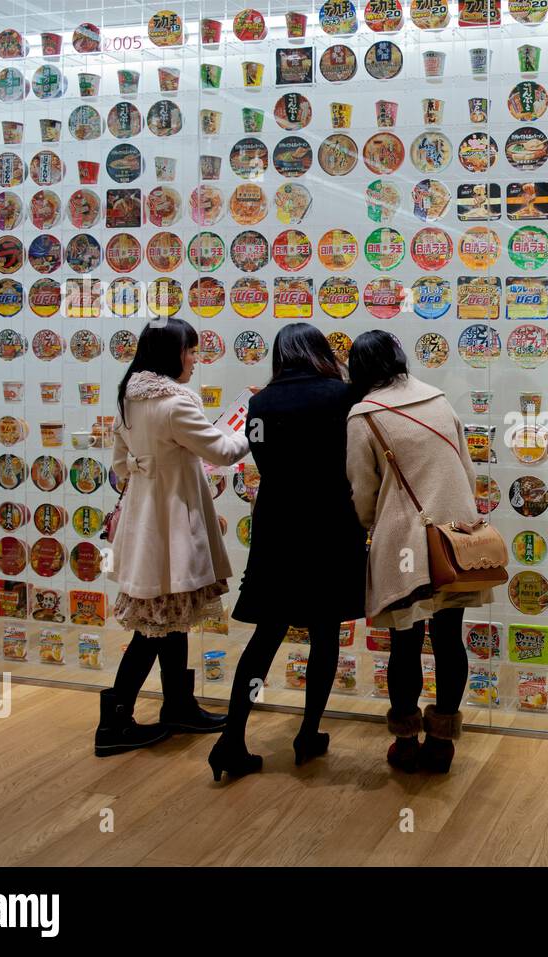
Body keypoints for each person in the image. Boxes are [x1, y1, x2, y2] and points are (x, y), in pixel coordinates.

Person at [208, 324, 368, 781]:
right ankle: (308, 732)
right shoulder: (343, 397)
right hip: (330, 524)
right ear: (320, 352)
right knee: (324, 632)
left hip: (277, 526)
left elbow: (261, 458)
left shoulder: (260, 403)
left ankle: (232, 736)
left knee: (265, 637)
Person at [95, 318, 251, 757]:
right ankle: (114, 723)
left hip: (144, 517)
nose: (195, 360)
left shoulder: (130, 398)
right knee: (155, 624)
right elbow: (222, 451)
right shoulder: (176, 404)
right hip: (173, 521)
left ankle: (178, 705)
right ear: (172, 355)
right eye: (191, 352)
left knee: (169, 612)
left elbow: (121, 466)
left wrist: (155, 469)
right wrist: (248, 426)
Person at [345, 330, 494, 774]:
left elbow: (362, 492)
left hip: (404, 541)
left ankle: (406, 741)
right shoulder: (438, 399)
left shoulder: (363, 416)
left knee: (405, 642)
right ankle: (443, 741)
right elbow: (466, 471)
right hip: (454, 539)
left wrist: (373, 528)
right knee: (450, 639)